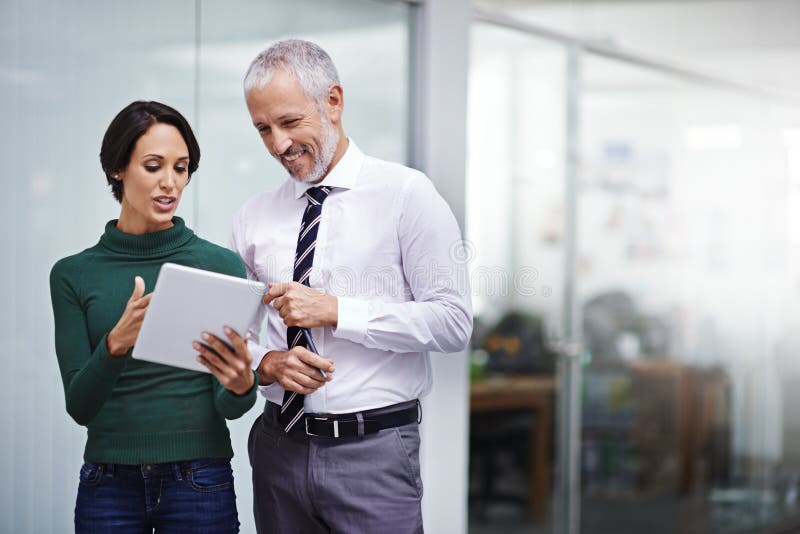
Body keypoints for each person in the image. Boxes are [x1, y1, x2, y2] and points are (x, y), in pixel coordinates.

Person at [230, 39, 473, 533]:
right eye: (263, 129)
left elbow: (453, 322)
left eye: (290, 122)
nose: (278, 144)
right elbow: (231, 331)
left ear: (334, 102)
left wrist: (337, 311)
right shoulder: (253, 215)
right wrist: (267, 362)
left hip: (374, 455)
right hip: (277, 449)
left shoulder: (407, 195)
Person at [49, 101, 258, 533]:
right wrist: (115, 345)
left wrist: (242, 386)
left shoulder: (219, 265)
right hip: (108, 485)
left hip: (199, 480)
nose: (170, 182)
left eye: (181, 168)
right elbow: (80, 406)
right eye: (153, 166)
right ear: (117, 169)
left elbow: (229, 404)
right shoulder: (73, 275)